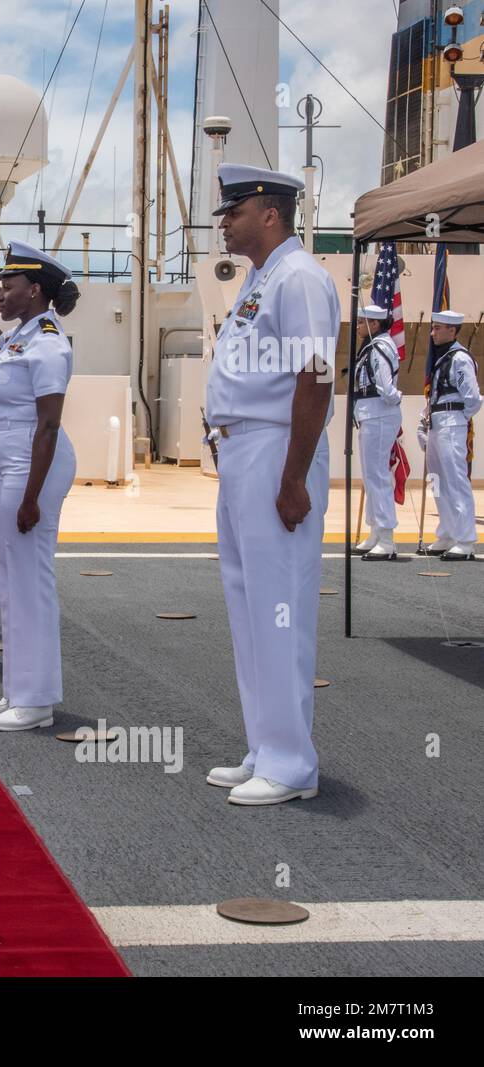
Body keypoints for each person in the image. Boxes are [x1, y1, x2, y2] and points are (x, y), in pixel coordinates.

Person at [202, 163, 339, 806]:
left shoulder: (302, 278)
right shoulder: (262, 278)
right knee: (251, 608)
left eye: (234, 210)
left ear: (270, 212)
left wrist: (293, 477)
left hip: (277, 453)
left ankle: (290, 763)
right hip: (242, 454)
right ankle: (265, 746)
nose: (224, 221)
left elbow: (315, 377)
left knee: (279, 606)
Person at [0, 242, 78, 730]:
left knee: (29, 580)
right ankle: (18, 689)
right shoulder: (21, 337)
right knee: (11, 577)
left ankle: (35, 700)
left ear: (34, 291)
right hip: (13, 457)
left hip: (35, 461)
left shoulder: (48, 341)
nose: (0, 293)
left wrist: (31, 497)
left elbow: (49, 424)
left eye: (7, 287)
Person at [421, 309, 480, 561]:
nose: (433, 333)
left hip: (451, 421)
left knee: (455, 479)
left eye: (437, 328)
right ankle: (447, 532)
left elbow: (473, 399)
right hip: (437, 421)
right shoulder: (442, 357)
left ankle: (465, 539)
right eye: (433, 327)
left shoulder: (459, 359)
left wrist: (457, 417)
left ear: (453, 330)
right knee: (437, 479)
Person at [350, 304, 403, 561]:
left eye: (362, 322)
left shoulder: (379, 348)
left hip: (380, 414)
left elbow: (385, 385)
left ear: (374, 325)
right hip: (371, 415)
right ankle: (375, 531)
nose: (358, 326)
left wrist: (395, 398)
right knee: (371, 475)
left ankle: (387, 538)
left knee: (378, 475)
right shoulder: (373, 347)